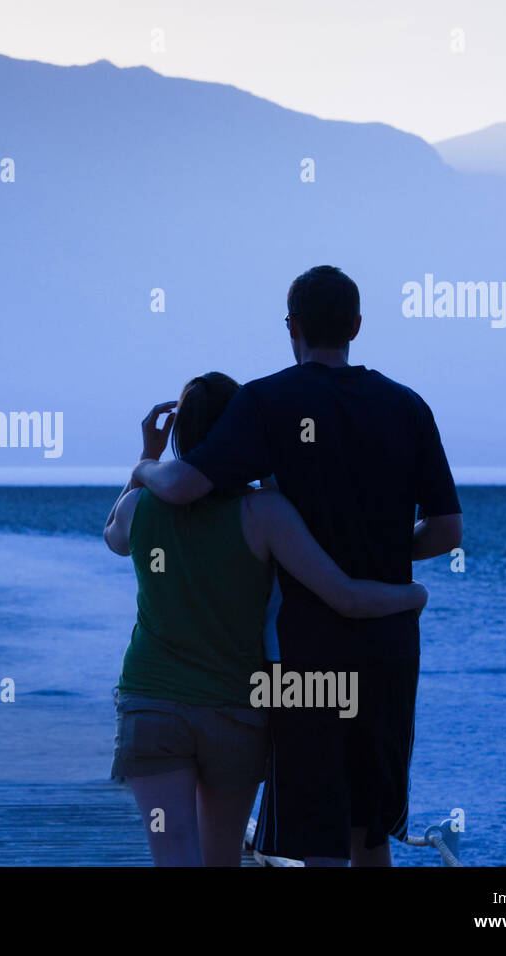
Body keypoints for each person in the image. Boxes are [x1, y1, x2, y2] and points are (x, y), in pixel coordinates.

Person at [132, 266, 462, 867]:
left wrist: (145, 465)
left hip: (303, 655)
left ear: (293, 327)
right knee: (372, 830)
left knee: (317, 836)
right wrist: (386, 554)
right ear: (357, 326)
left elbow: (182, 487)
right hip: (389, 648)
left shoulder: (267, 401)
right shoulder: (408, 405)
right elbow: (445, 531)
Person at [105, 373, 428, 867]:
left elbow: (112, 535)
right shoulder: (264, 514)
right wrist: (411, 594)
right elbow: (345, 597)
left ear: (179, 434)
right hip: (234, 712)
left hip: (151, 706)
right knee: (221, 860)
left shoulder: (137, 506)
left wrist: (145, 458)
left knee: (173, 857)